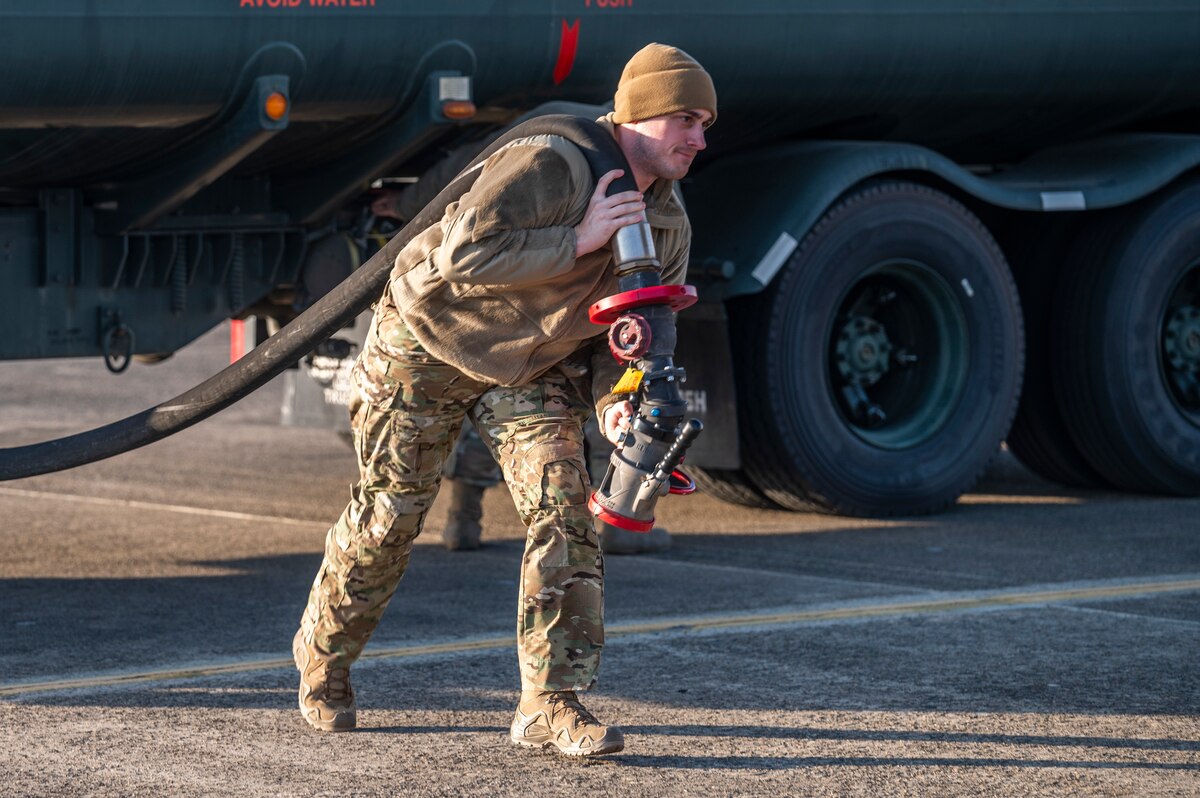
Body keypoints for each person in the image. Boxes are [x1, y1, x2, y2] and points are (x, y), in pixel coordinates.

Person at [292, 42, 716, 757]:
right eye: (685, 118)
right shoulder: (555, 161)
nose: (699, 139)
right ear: (639, 113)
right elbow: (462, 255)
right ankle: (323, 660)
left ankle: (550, 702)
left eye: (705, 123)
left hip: (529, 363)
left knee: (566, 504)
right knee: (391, 513)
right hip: (431, 337)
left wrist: (618, 401)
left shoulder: (668, 220)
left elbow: (642, 330)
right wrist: (578, 239)